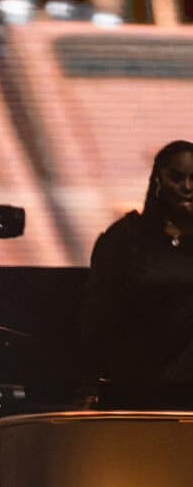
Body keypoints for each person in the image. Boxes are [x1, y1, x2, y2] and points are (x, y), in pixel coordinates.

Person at [82, 139, 193, 407]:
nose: (187, 188)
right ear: (157, 179)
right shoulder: (124, 238)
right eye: (177, 177)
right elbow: (97, 316)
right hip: (135, 386)